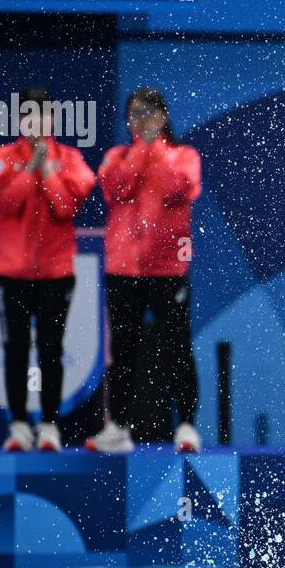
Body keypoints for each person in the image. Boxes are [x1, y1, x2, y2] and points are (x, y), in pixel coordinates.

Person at [87, 88, 202, 454]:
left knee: (176, 346)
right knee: (123, 350)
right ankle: (117, 427)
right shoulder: (117, 157)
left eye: (149, 113)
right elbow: (115, 187)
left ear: (164, 116)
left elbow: (176, 188)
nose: (143, 120)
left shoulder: (184, 157)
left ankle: (185, 425)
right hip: (123, 269)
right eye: (135, 114)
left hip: (168, 268)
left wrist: (154, 149)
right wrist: (142, 150)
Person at [0, 86, 96, 452]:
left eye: (42, 115)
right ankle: (17, 426)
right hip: (11, 273)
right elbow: (3, 202)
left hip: (55, 273)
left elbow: (65, 206)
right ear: (19, 120)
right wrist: (30, 169)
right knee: (15, 349)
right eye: (28, 115)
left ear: (52, 120)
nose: (35, 121)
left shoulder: (70, 159)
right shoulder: (2, 156)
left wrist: (46, 170)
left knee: (51, 348)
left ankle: (49, 426)